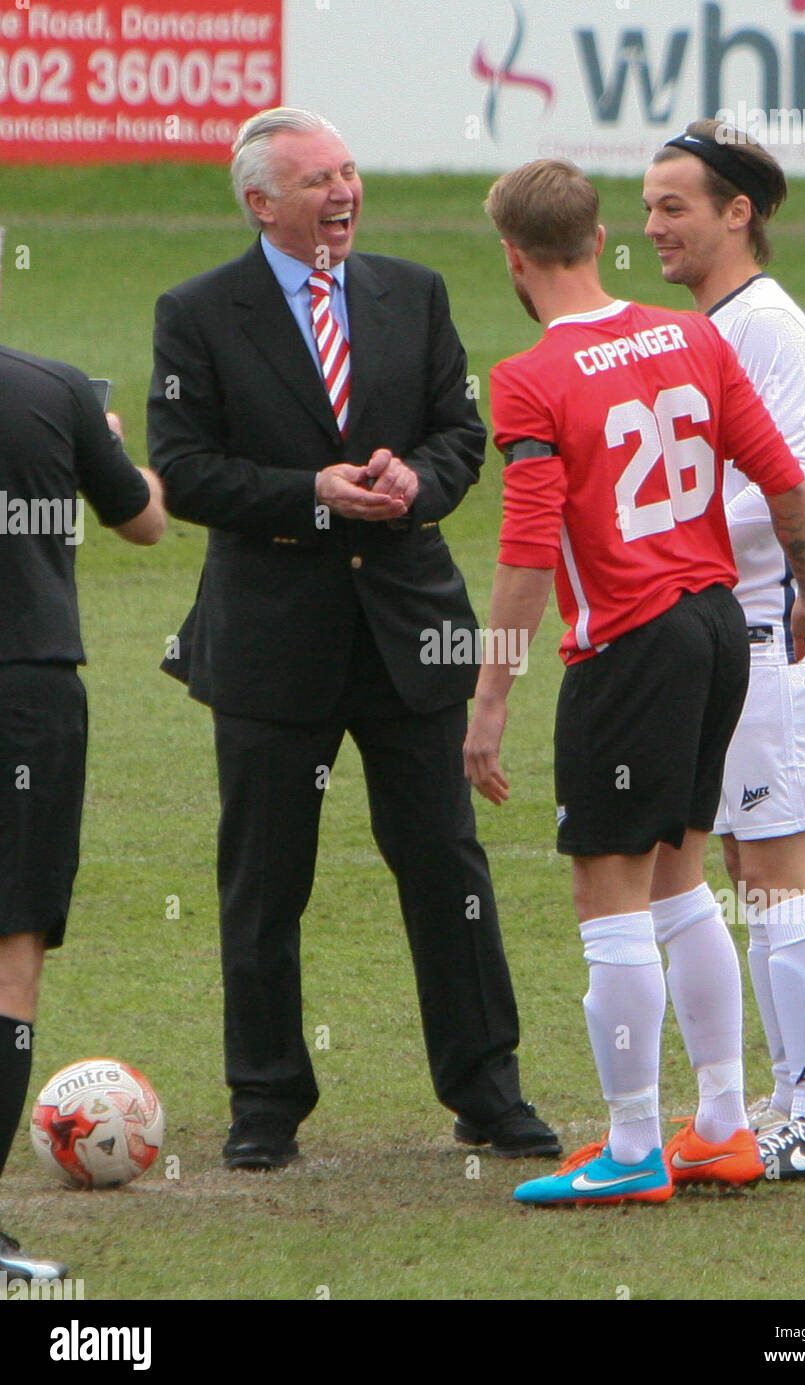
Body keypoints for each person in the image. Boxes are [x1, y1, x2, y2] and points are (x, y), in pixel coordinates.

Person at [147, 107, 558, 1170]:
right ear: (260, 203)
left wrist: (422, 479)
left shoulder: (411, 293)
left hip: (410, 636)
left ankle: (487, 1088)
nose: (344, 193)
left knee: (445, 863)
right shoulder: (196, 313)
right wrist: (310, 493)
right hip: (272, 650)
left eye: (350, 171)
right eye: (319, 179)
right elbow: (182, 469)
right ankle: (265, 1103)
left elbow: (462, 434)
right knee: (265, 879)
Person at [463, 158, 805, 1206]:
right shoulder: (692, 334)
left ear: (513, 256)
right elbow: (780, 475)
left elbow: (530, 549)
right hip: (722, 628)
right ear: (596, 237)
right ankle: (719, 1124)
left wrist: (489, 696)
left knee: (608, 898)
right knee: (679, 879)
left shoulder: (530, 376)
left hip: (629, 648)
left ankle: (631, 1146)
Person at [643, 121, 805, 1180]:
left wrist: (636, 536)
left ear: (738, 212)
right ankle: (788, 1099)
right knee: (747, 866)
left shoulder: (766, 328)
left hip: (773, 629)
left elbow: (771, 494)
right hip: (728, 633)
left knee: (779, 867)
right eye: (645, 207)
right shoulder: (713, 324)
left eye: (673, 205)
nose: (652, 227)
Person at [0, 335, 165, 1279]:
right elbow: (143, 519)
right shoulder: (49, 386)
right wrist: (95, 440)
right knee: (11, 963)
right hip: (25, 695)